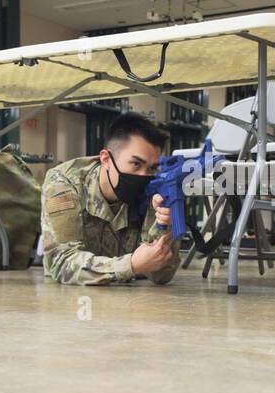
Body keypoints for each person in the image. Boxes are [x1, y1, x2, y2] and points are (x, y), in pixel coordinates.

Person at [40, 112, 177, 285]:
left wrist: (165, 225)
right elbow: (62, 263)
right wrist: (131, 265)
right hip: (71, 298)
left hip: (132, 300)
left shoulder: (153, 190)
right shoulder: (65, 183)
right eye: (136, 164)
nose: (143, 176)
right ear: (106, 159)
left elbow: (160, 275)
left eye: (151, 168)